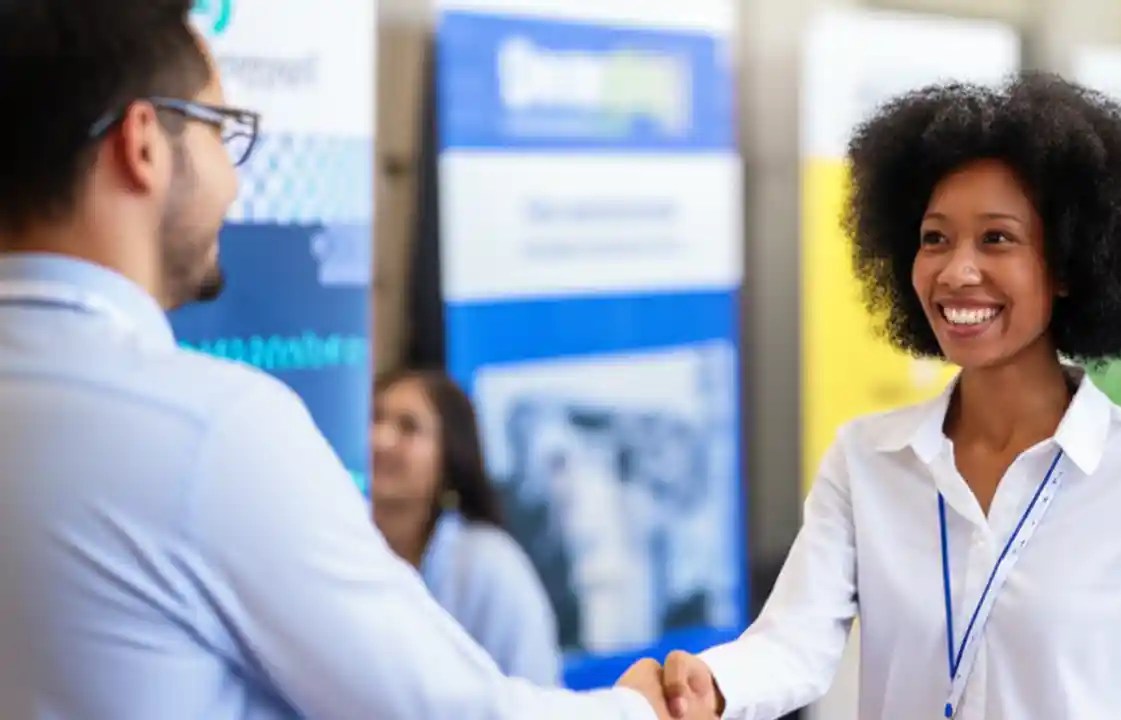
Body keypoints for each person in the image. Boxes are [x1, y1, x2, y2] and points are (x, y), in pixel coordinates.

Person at [0, 2, 703, 718]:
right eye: (222, 130)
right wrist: (641, 711)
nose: (237, 182)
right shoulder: (210, 431)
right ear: (144, 144)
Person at [661, 74, 1121, 719]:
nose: (956, 271)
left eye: (997, 239)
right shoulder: (866, 460)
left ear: (1072, 265)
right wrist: (714, 686)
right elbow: (793, 644)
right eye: (935, 238)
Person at [372, 369, 561, 685]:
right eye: (374, 418)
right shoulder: (347, 544)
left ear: (449, 459)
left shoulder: (490, 563)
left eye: (408, 427)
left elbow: (535, 696)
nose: (379, 439)